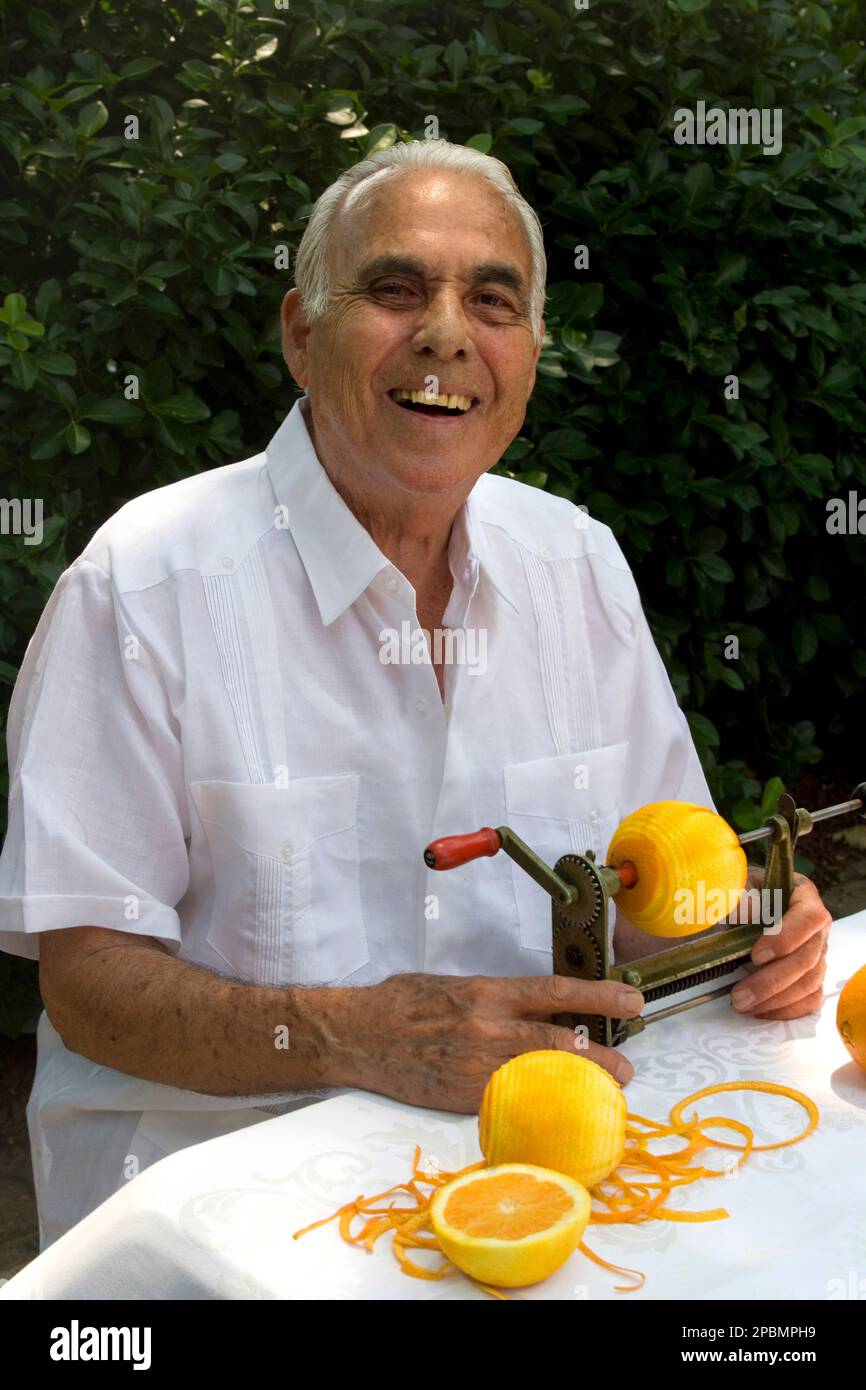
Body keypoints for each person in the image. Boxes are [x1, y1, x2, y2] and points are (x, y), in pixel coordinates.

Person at [0, 141, 831, 1250]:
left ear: (528, 353)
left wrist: (754, 918)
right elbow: (87, 981)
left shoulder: (574, 562)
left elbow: (649, 883)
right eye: (395, 290)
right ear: (301, 334)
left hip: (540, 1193)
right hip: (216, 1224)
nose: (446, 332)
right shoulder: (142, 585)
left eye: (491, 301)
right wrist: (356, 1035)